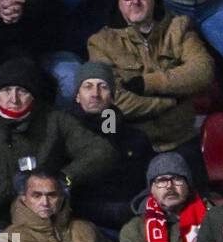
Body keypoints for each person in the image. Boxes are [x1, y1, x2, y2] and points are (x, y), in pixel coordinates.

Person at [0, 57, 116, 229]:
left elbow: (102, 152)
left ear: (33, 95)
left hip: (49, 219)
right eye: (6, 90)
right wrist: (14, 186)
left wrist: (63, 179)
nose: (14, 99)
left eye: (22, 91)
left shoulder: (54, 119)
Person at [87, 0, 214, 158]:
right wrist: (169, 101)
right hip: (134, 143)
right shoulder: (101, 42)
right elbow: (113, 98)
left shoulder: (177, 27)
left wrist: (147, 83)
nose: (135, 1)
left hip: (182, 138)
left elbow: (203, 71)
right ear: (118, 2)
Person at [66, 61, 156, 231]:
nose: (95, 94)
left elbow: (151, 183)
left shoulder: (135, 138)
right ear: (77, 95)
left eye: (103, 86)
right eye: (88, 86)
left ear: (113, 95)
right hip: (82, 225)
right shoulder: (62, 134)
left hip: (133, 222)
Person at [116, 152, 210, 242]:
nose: (169, 186)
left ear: (188, 185)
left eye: (177, 179)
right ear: (151, 189)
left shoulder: (211, 219)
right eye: (161, 180)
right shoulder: (135, 229)